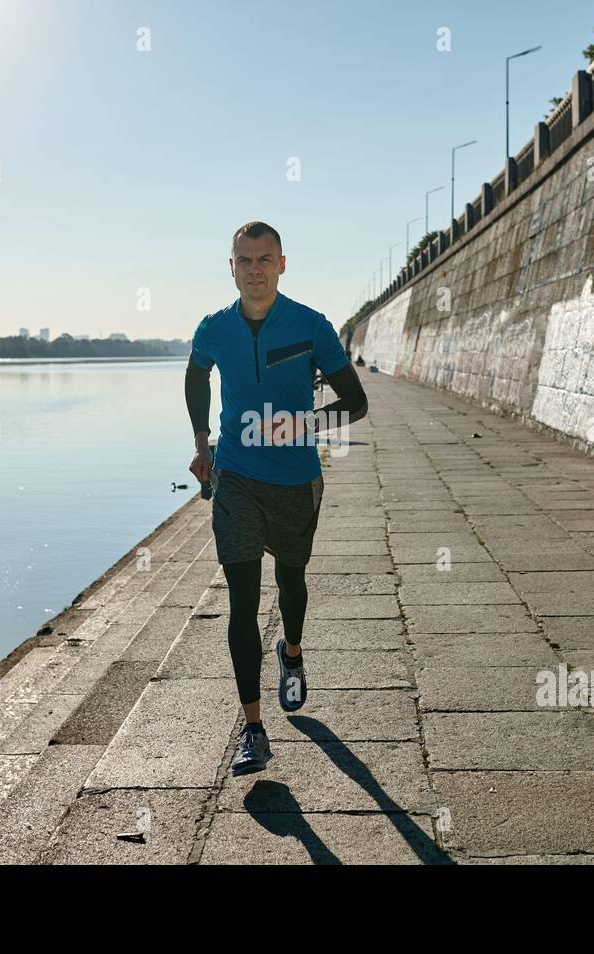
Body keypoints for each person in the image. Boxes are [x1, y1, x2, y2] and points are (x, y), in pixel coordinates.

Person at [184, 221, 368, 775]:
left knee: (291, 581)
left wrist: (305, 425)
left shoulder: (312, 326)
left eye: (265, 259)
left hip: (295, 481)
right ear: (232, 267)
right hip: (236, 478)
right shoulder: (213, 329)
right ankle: (254, 729)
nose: (255, 269)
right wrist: (202, 445)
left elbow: (355, 402)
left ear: (282, 264)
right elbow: (196, 379)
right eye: (245, 260)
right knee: (242, 598)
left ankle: (292, 651)